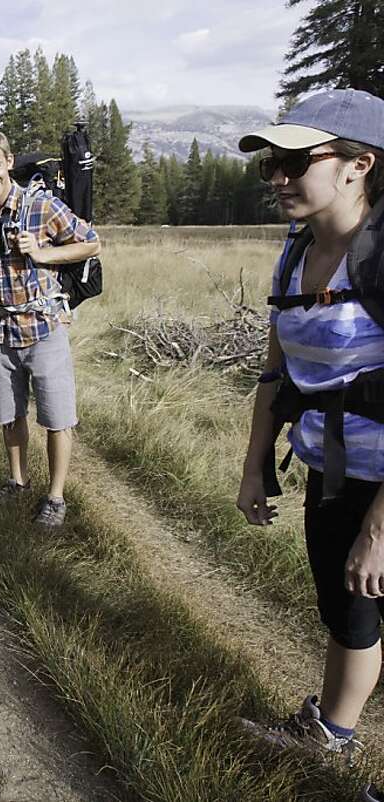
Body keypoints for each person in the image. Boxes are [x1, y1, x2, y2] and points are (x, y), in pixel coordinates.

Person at [235, 89, 384, 774]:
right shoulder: (295, 254)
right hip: (330, 469)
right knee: (346, 611)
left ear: (359, 164)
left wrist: (378, 530)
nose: (277, 178)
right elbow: (276, 374)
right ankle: (331, 735)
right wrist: (254, 464)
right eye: (272, 162)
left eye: (296, 161)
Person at [0, 129, 101, 527]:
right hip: (1, 333)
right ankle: (16, 482)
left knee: (57, 419)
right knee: (10, 414)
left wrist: (42, 252)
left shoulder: (42, 208)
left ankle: (55, 497)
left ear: (8, 161)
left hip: (45, 328)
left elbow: (90, 243)